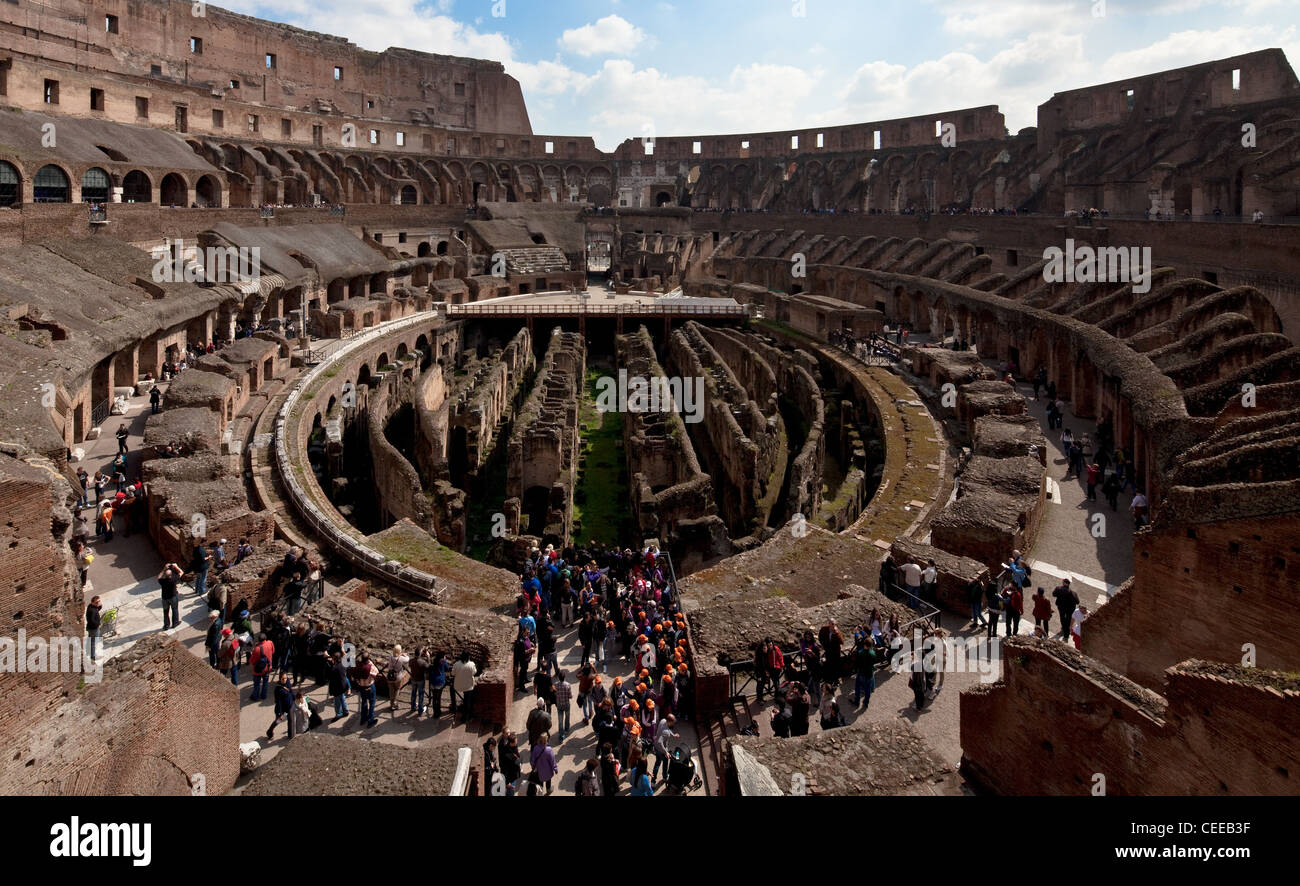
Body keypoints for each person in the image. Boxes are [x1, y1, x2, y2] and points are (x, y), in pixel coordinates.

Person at [354, 652, 379, 728]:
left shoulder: (358, 665)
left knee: (364, 702)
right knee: (372, 703)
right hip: (369, 687)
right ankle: (370, 721)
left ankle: (363, 719)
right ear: (368, 659)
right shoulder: (370, 666)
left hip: (361, 687)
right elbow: (376, 672)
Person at [452, 650, 478, 722]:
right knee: (467, 701)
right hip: (468, 686)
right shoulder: (471, 664)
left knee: (453, 690)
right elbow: (474, 672)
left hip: (458, 685)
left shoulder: (456, 664)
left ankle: (454, 706)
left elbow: (453, 673)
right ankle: (466, 716)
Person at [652, 714, 678, 783]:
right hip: (662, 750)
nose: (673, 724)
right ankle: (665, 777)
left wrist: (673, 735)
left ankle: (653, 781)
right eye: (673, 723)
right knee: (665, 764)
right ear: (669, 722)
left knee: (657, 764)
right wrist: (666, 752)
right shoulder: (666, 733)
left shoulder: (663, 720)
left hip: (656, 748)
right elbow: (660, 742)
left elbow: (667, 728)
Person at [249, 632, 275, 701]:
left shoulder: (257, 649)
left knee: (257, 683)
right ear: (265, 638)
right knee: (265, 682)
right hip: (268, 667)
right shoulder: (270, 643)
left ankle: (256, 696)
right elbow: (273, 652)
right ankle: (264, 695)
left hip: (258, 670)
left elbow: (251, 661)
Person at [158, 562, 182, 631]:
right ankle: (175, 623)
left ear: (165, 575)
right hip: (173, 597)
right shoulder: (174, 579)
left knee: (165, 612)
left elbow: (158, 577)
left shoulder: (163, 581)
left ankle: (166, 625)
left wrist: (164, 569)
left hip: (165, 598)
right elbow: (181, 572)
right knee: (174, 609)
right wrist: (176, 566)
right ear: (171, 575)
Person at [327, 651, 350, 721]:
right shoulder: (343, 664)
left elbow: (329, 676)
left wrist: (330, 664)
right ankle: (345, 711)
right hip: (343, 685)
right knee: (342, 698)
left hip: (337, 687)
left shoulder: (333, 668)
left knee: (337, 702)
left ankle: (339, 714)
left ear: (334, 659)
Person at [553, 669, 572, 741]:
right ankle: (567, 729)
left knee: (560, 720)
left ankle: (561, 734)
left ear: (558, 677)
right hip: (566, 704)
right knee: (567, 717)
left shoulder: (555, 685)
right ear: (564, 677)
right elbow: (570, 696)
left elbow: (554, 693)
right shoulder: (568, 685)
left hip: (559, 704)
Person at [85, 595, 103, 663]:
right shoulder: (92, 610)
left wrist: (100, 605)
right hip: (94, 629)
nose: (98, 603)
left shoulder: (92, 606)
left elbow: (98, 608)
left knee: (90, 640)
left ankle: (88, 652)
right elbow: (91, 620)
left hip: (91, 628)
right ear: (92, 602)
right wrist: (97, 625)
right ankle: (93, 657)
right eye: (96, 602)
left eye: (99, 601)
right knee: (94, 643)